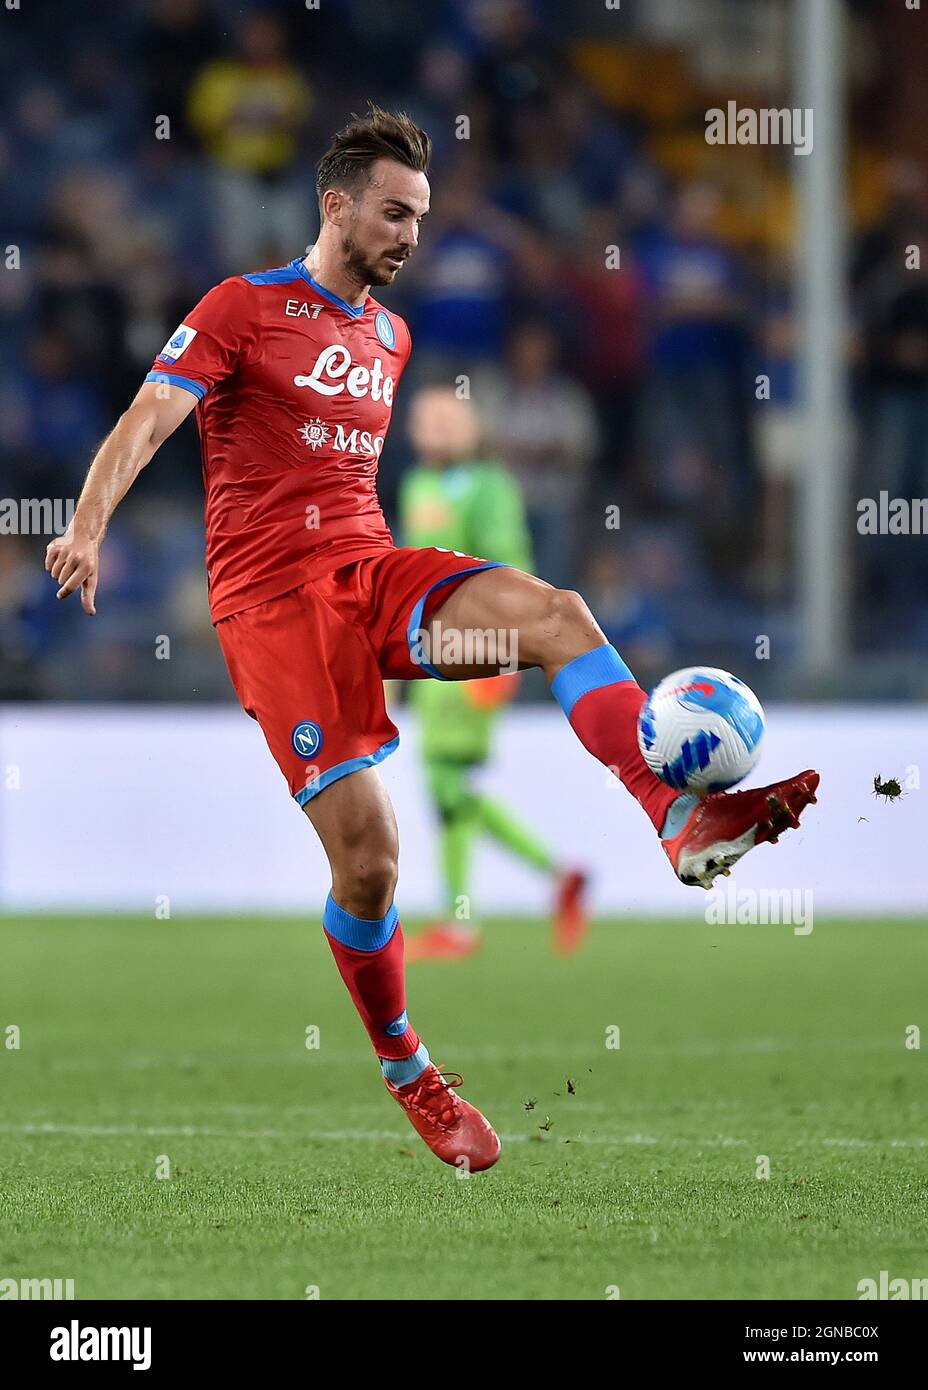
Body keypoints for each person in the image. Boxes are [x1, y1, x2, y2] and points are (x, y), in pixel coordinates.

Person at [45, 105, 819, 1174]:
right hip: (274, 607)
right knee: (370, 870)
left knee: (561, 618)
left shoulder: (393, 338)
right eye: (394, 212)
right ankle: (408, 1066)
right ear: (336, 206)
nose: (411, 234)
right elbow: (145, 419)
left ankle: (673, 814)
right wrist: (85, 526)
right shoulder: (242, 307)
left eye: (421, 216)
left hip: (371, 572)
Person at [399, 385, 588, 961]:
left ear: (473, 428)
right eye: (426, 418)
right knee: (446, 789)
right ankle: (472, 913)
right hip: (427, 654)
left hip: (472, 651)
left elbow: (512, 570)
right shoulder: (416, 485)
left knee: (448, 784)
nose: (436, 428)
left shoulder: (490, 487)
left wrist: (502, 655)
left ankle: (539, 882)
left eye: (448, 418)